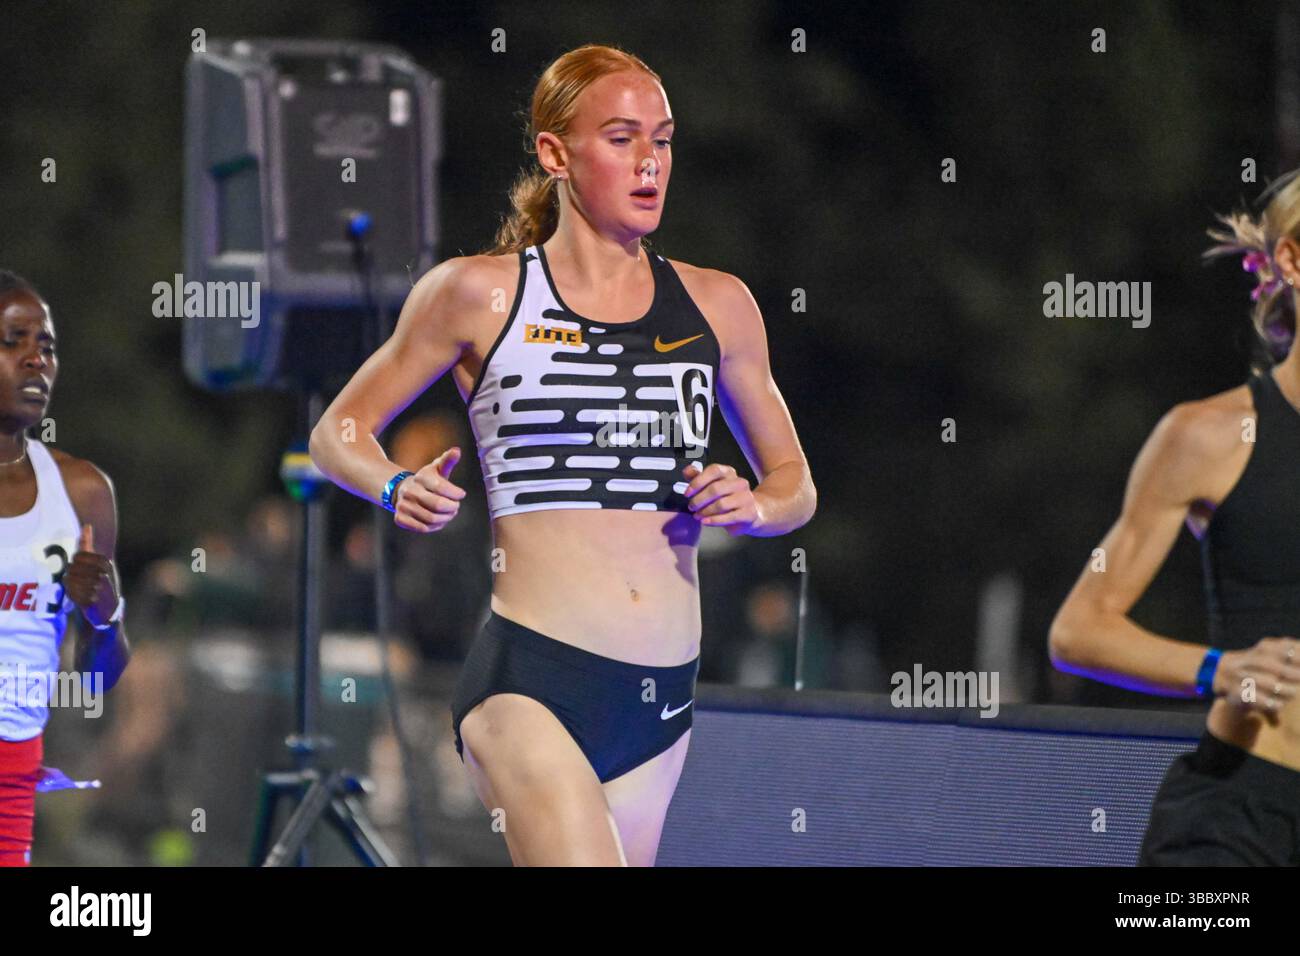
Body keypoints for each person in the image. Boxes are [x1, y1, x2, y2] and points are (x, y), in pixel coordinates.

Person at [309, 43, 816, 865]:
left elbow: (795, 485)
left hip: (657, 704)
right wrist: (393, 484)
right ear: (555, 153)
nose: (651, 162)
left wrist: (753, 504)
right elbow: (338, 430)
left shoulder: (720, 304)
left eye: (664, 138)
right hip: (530, 682)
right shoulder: (479, 292)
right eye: (621, 139)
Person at [1049, 174, 1300, 866]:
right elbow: (1078, 630)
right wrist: (1218, 667)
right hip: (1242, 818)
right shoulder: (1209, 435)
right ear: (1291, 262)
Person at [0, 270, 130, 866]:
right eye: (14, 340)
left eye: (46, 346)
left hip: (13, 767)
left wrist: (103, 615)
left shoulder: (81, 491)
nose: (36, 360)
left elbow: (99, 679)